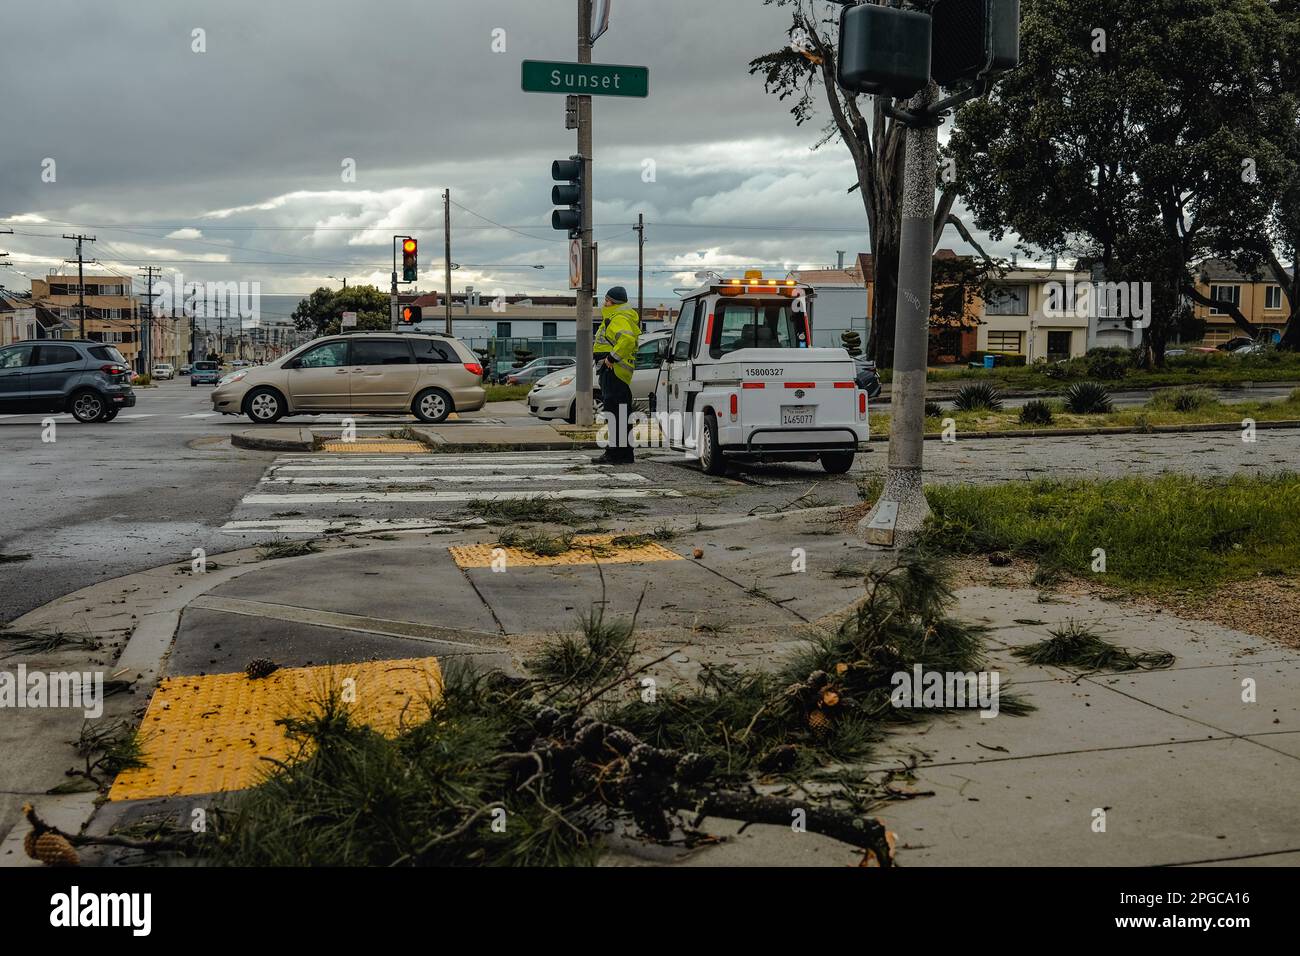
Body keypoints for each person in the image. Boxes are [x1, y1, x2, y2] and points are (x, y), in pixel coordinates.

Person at [592, 286, 639, 465]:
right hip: (616, 372)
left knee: (614, 413)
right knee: (620, 413)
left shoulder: (617, 317)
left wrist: (611, 358)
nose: (604, 303)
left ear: (613, 302)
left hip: (613, 371)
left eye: (606, 300)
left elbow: (627, 340)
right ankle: (624, 454)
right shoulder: (619, 317)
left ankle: (615, 453)